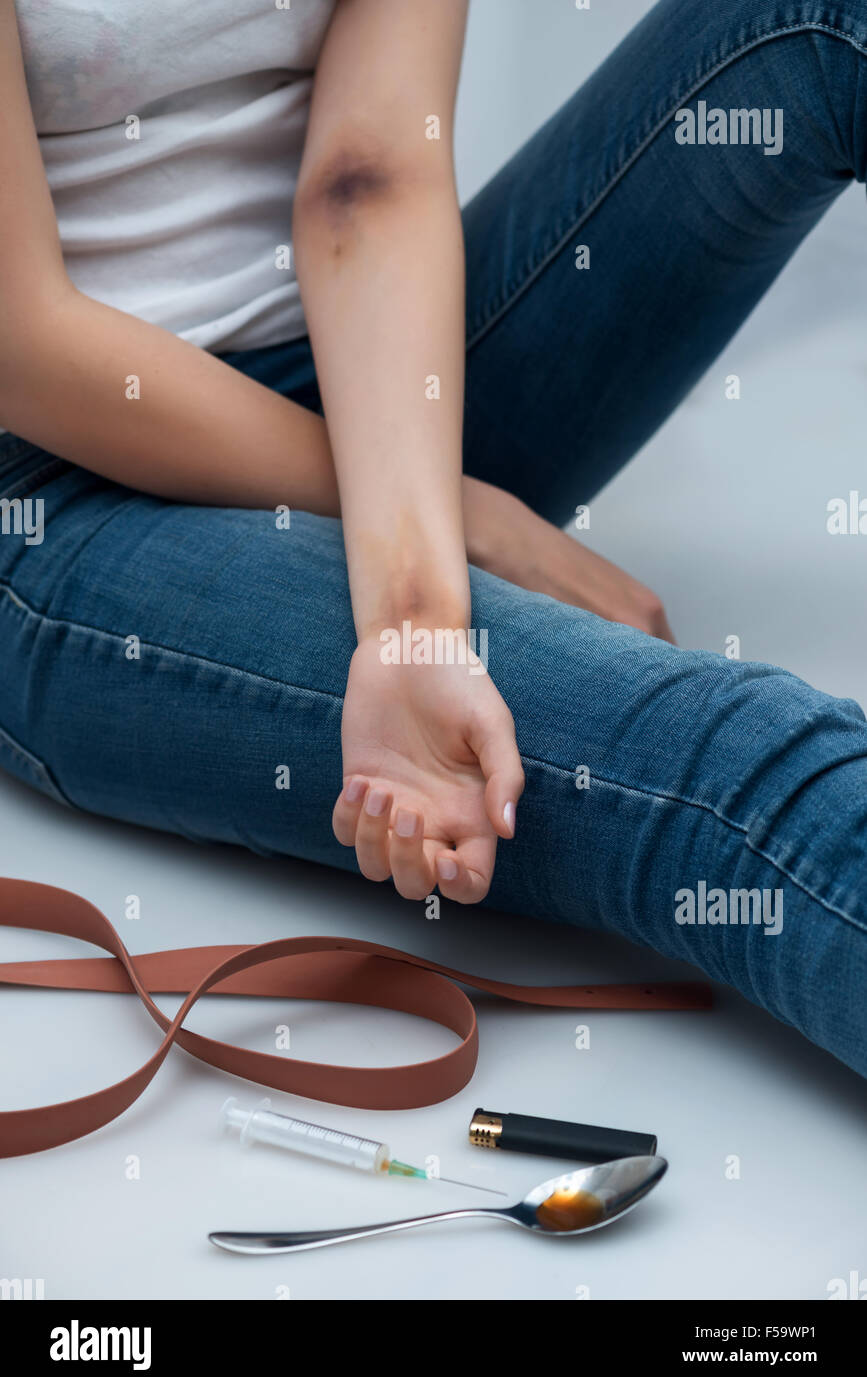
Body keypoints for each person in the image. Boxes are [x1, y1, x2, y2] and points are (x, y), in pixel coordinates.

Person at [1, 0, 865, 1078]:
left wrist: (423, 574)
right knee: (739, 766)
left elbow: (373, 178)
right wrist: (461, 538)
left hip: (386, 370)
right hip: (69, 485)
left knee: (822, 23)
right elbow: (19, 340)